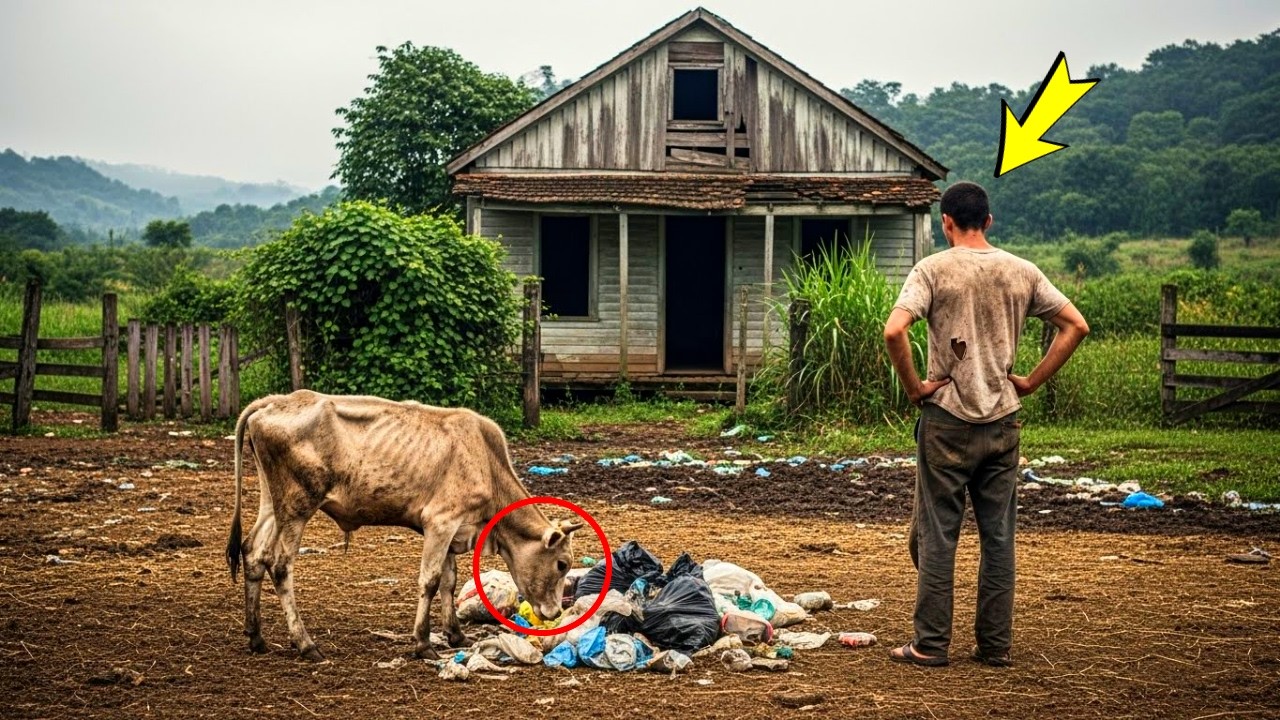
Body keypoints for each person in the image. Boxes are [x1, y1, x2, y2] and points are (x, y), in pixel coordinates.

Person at [881, 181, 1089, 667]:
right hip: (1003, 422)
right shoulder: (1023, 272)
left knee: (936, 536)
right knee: (998, 539)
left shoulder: (932, 270)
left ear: (945, 222)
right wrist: (1030, 382)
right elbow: (1075, 325)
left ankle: (930, 644)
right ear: (989, 221)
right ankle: (994, 646)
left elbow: (894, 330)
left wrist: (916, 389)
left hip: (946, 421)